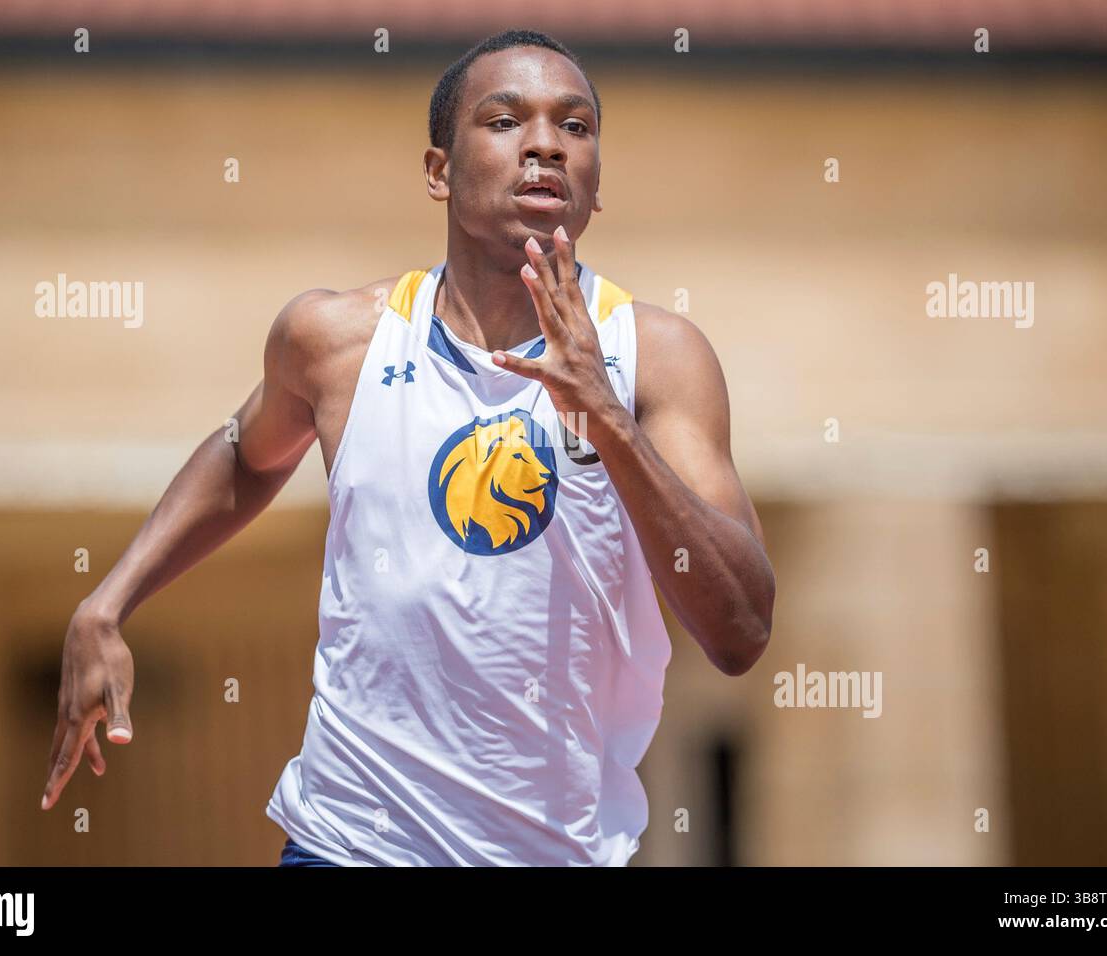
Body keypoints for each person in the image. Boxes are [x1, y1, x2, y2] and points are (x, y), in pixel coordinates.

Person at [41, 29, 775, 867]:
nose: (544, 143)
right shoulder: (339, 341)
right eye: (505, 121)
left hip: (557, 852)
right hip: (348, 841)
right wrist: (110, 600)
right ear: (440, 171)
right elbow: (245, 454)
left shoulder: (658, 360)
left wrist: (605, 418)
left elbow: (742, 630)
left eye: (574, 128)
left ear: (595, 185)